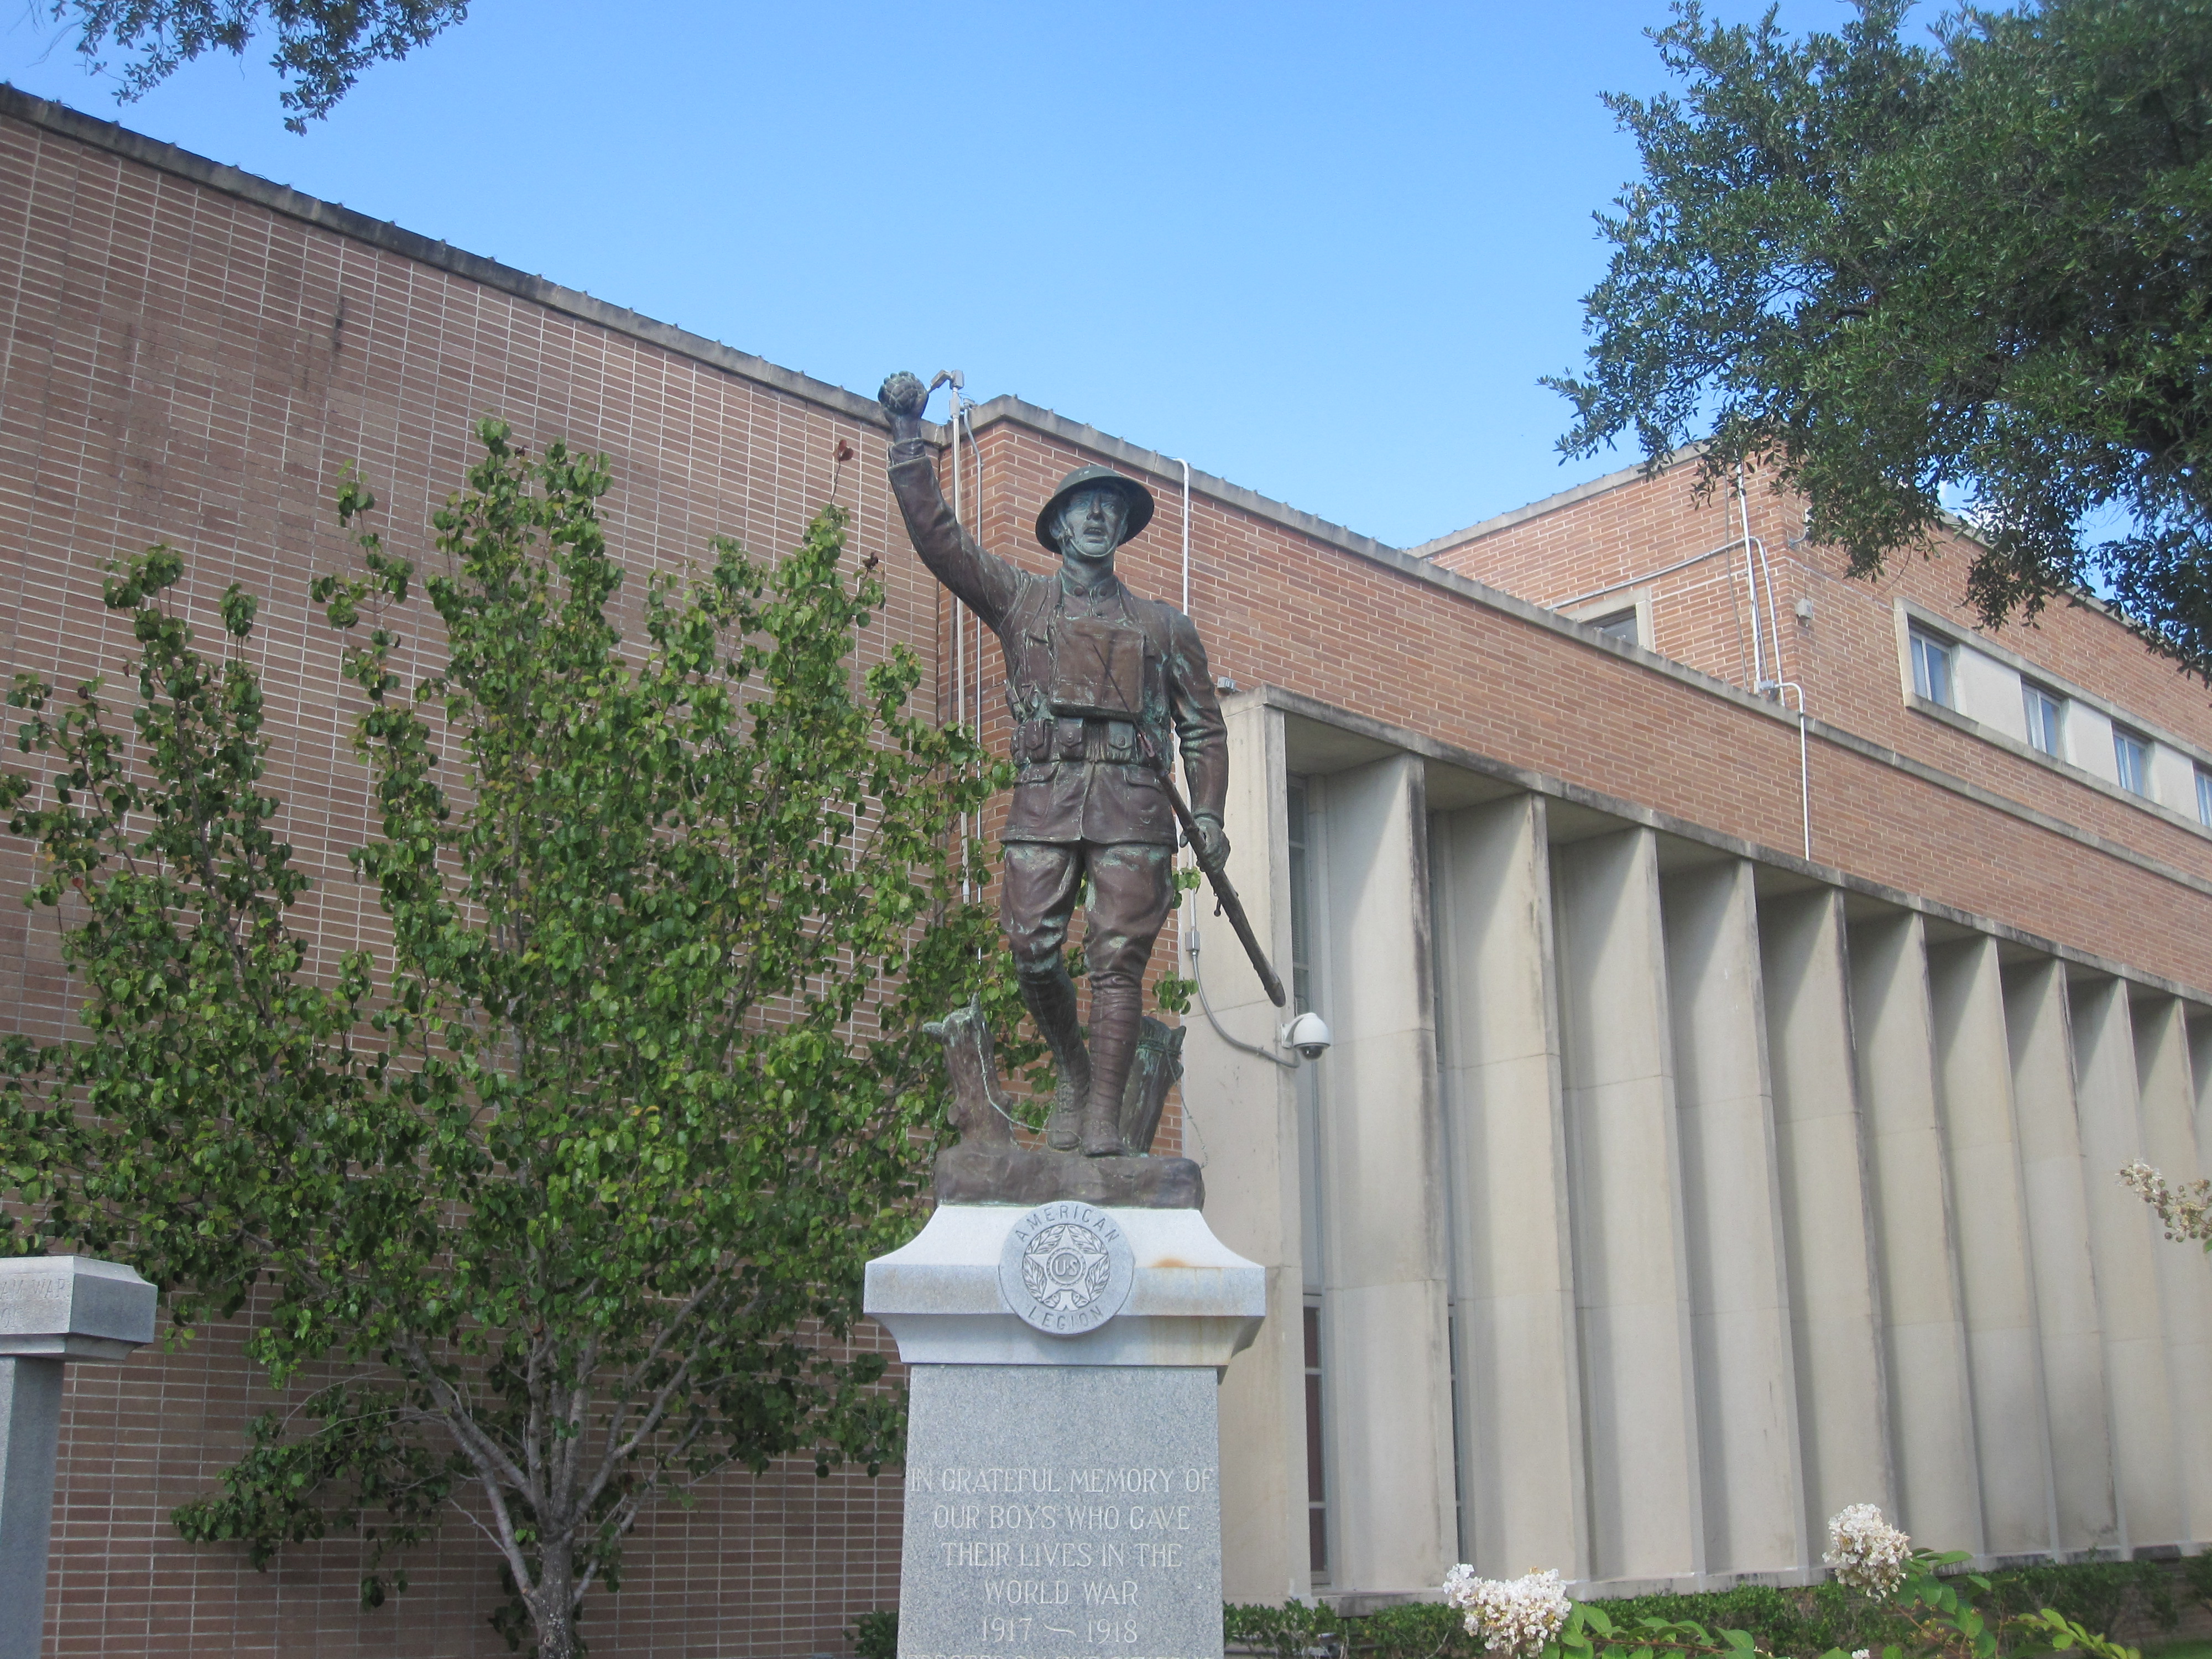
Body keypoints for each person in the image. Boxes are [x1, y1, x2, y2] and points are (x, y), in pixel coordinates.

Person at [879, 371, 1229, 1157]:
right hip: (1045, 795)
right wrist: (909, 436)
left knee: (1118, 958)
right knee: (1032, 946)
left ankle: (1104, 1119)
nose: (1099, 516)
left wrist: (1206, 813)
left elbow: (1203, 729)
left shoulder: (1165, 628)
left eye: (1110, 509)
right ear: (1061, 528)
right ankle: (1072, 1068)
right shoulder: (1020, 602)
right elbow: (941, 539)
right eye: (1084, 508)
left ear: (1121, 531)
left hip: (1134, 807)